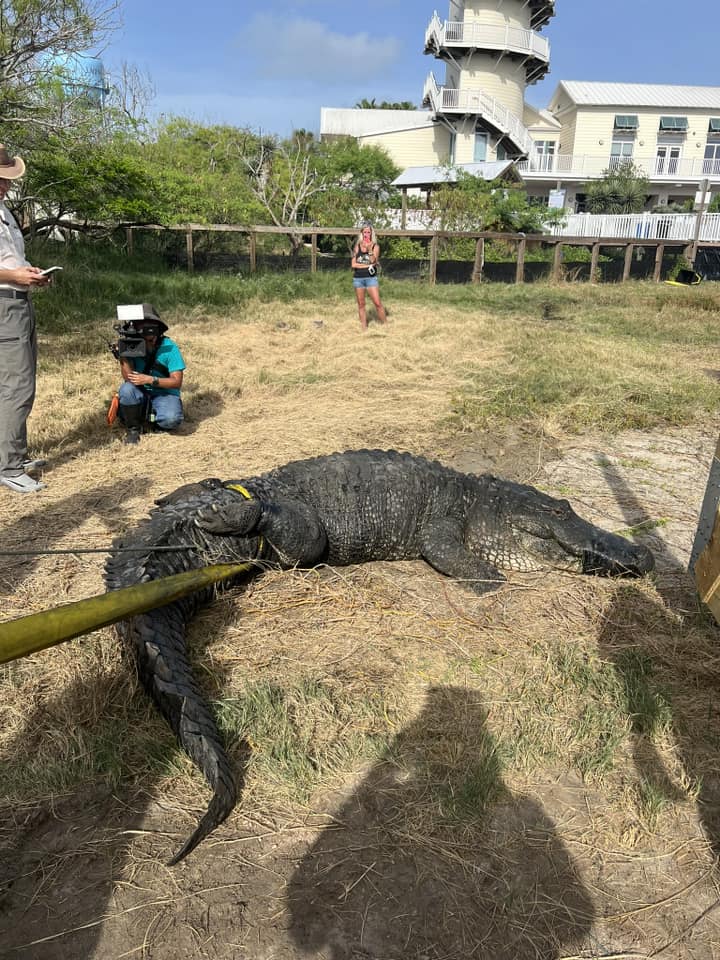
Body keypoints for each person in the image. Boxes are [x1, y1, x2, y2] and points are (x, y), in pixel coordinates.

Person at [0, 144, 52, 494]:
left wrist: (29, 272)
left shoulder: (5, 211)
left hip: (18, 301)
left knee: (13, 383)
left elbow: (10, 259)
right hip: (5, 304)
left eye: (7, 179)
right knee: (18, 386)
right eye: (0, 180)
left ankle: (10, 454)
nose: (6, 185)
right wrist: (15, 277)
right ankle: (10, 466)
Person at [116, 304, 185, 444]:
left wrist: (150, 380)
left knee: (171, 419)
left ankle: (153, 417)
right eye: (142, 325)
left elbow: (176, 382)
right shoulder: (131, 345)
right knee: (126, 389)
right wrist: (123, 357)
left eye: (151, 326)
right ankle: (133, 429)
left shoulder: (169, 347)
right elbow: (128, 379)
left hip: (165, 393)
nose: (147, 331)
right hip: (140, 392)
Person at [351, 221, 387, 330]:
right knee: (361, 304)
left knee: (377, 303)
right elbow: (353, 264)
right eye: (365, 232)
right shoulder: (357, 247)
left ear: (371, 233)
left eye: (368, 232)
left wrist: (370, 250)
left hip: (371, 279)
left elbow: (373, 260)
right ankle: (364, 328)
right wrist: (367, 265)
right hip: (358, 279)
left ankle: (386, 326)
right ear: (362, 233)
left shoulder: (375, 247)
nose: (367, 234)